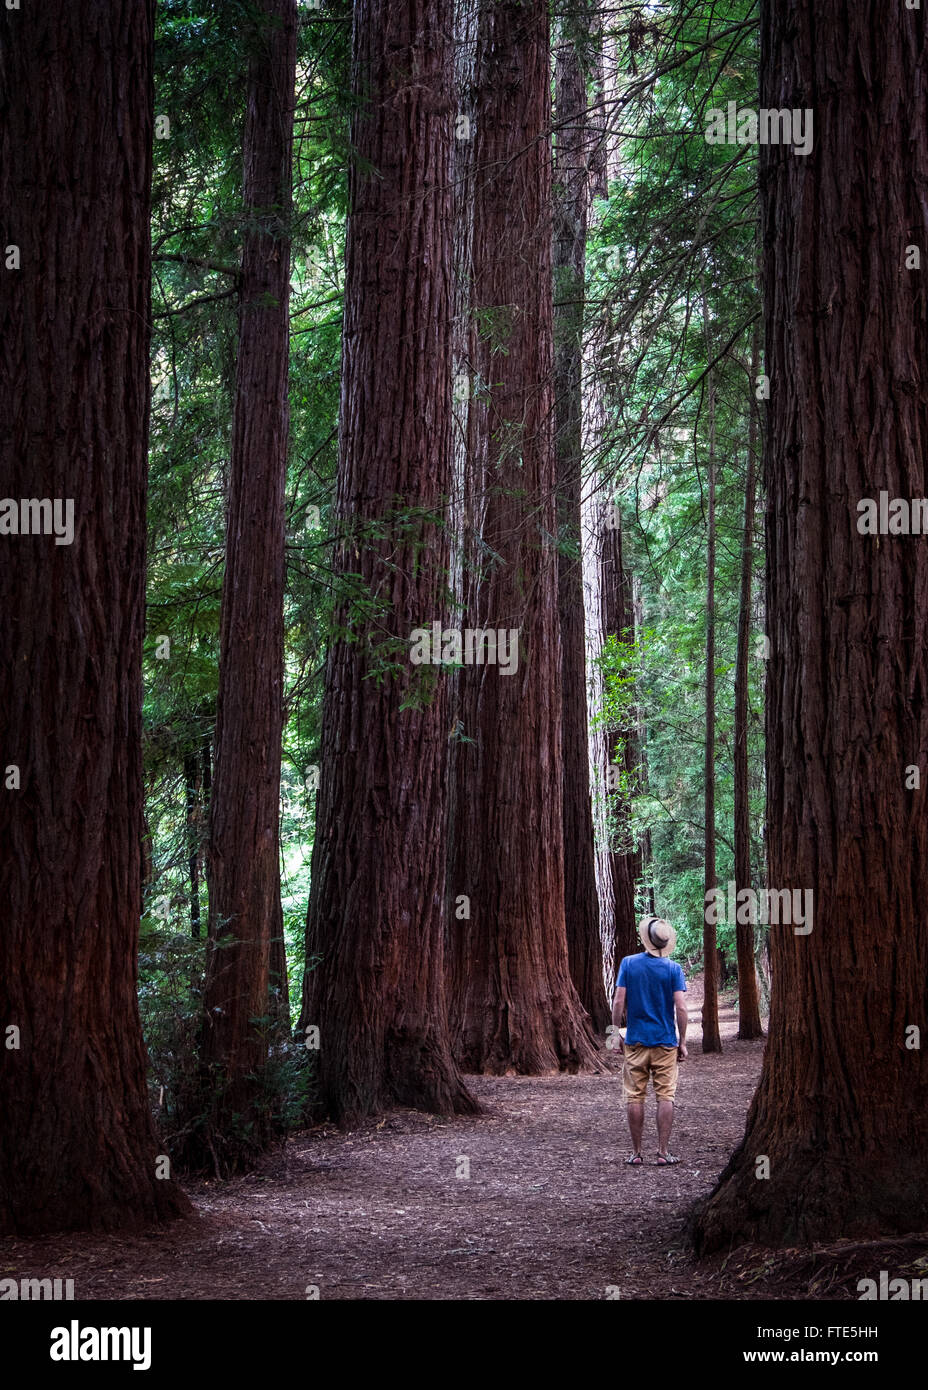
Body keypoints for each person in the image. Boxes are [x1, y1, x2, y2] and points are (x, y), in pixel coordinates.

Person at [612, 915, 688, 1166]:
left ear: (646, 939)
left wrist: (615, 1033)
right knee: (666, 1096)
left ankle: (635, 1153)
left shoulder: (629, 964)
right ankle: (663, 1152)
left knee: (635, 1097)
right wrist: (683, 1041)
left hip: (635, 1042)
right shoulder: (673, 969)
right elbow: (681, 1008)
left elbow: (618, 1001)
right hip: (665, 1042)